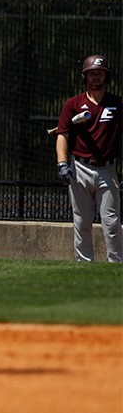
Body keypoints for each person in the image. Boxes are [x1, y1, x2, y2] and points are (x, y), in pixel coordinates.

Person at [55, 55, 121, 263]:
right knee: (82, 221)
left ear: (106, 77)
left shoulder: (117, 104)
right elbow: (62, 136)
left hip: (108, 170)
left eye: (99, 74)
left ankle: (117, 266)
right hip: (80, 168)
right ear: (85, 77)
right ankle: (84, 265)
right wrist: (62, 164)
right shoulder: (73, 104)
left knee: (111, 222)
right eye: (92, 74)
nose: (95, 78)